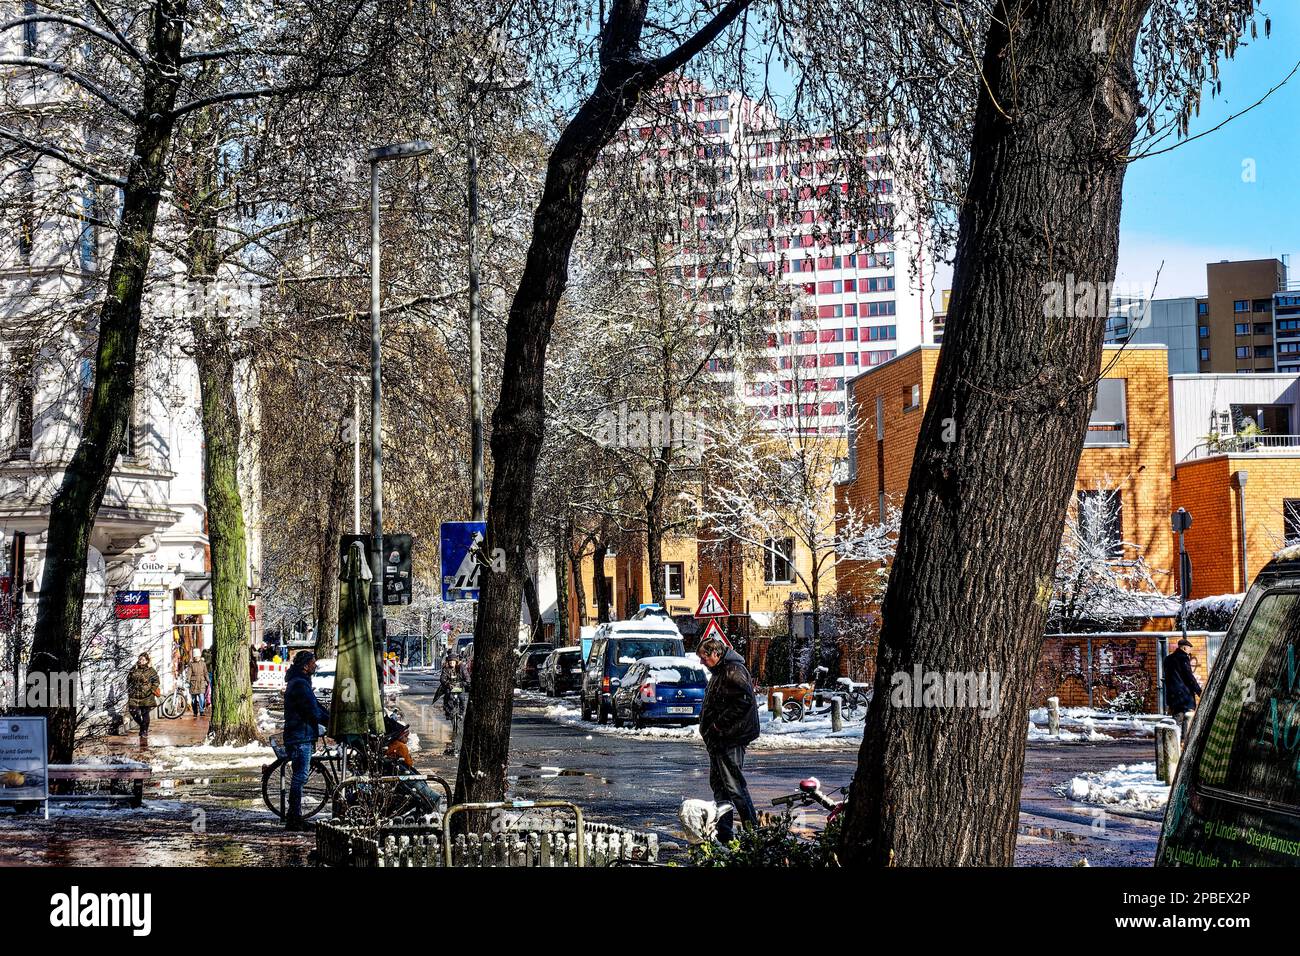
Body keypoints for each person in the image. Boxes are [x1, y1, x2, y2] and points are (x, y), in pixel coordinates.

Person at [697, 635, 760, 842]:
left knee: (734, 786)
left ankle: (753, 833)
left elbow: (743, 702)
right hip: (720, 738)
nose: (701, 662)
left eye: (704, 657)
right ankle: (725, 833)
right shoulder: (721, 671)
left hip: (730, 737)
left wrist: (718, 725)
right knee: (720, 786)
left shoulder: (732, 671)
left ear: (715, 654)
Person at [283, 650, 330, 831]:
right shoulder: (300, 685)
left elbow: (316, 706)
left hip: (301, 734)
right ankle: (294, 818)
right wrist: (329, 721)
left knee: (300, 776)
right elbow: (312, 710)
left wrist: (329, 717)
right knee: (300, 776)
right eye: (312, 663)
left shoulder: (300, 682)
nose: (315, 666)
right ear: (305, 666)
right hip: (300, 736)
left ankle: (294, 816)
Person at [383, 716, 443, 817]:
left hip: (403, 778)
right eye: (406, 737)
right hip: (409, 779)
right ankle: (434, 816)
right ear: (400, 737)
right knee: (433, 798)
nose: (407, 739)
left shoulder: (390, 748)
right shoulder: (401, 747)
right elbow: (409, 763)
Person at [1165, 636, 1203, 747]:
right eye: (1189, 648)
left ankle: (1174, 744)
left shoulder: (1168, 659)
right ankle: (1184, 743)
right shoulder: (1183, 658)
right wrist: (1199, 692)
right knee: (1187, 718)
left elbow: (1167, 678)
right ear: (1184, 648)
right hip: (1184, 696)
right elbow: (1189, 677)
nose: (1190, 651)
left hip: (1172, 695)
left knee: (1176, 721)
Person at [126, 653, 161, 748]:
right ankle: (142, 726)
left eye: (143, 659)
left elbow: (156, 681)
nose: (141, 661)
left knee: (145, 714)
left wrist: (152, 689)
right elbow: (128, 680)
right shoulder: (134, 668)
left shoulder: (150, 670)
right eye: (140, 659)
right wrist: (129, 689)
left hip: (147, 696)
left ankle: (144, 731)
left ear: (147, 661)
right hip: (134, 695)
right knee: (132, 711)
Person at [187, 649, 208, 718]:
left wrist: (208, 680)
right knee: (193, 700)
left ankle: (201, 711)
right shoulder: (191, 664)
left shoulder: (203, 663)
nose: (196, 658)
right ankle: (195, 712)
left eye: (197, 656)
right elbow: (189, 673)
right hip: (193, 683)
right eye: (195, 656)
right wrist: (188, 680)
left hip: (201, 682)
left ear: (199, 656)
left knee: (201, 697)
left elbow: (205, 673)